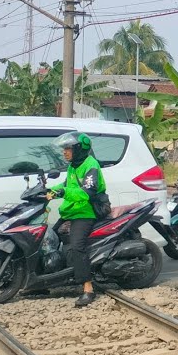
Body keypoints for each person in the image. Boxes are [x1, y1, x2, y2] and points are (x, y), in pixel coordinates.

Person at [49, 132, 109, 308]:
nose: (64, 152)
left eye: (68, 148)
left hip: (86, 212)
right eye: (64, 149)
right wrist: (48, 191)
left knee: (77, 246)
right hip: (72, 212)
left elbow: (87, 192)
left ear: (79, 149)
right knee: (49, 238)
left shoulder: (91, 165)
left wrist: (63, 192)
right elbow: (66, 185)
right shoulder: (73, 166)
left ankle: (88, 288)